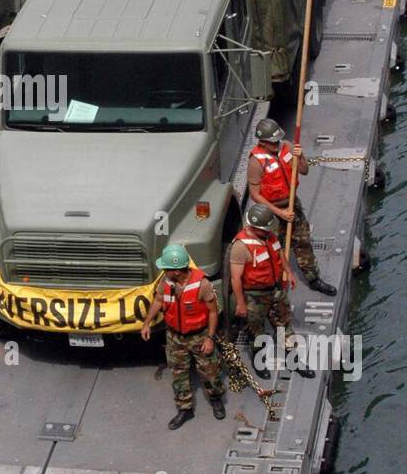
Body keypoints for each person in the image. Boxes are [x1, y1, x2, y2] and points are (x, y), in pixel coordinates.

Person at [140, 243, 225, 431]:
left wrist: (210, 338)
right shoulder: (166, 282)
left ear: (176, 271)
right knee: (179, 375)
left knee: (210, 372)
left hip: (199, 336)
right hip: (175, 337)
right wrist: (147, 322)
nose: (164, 271)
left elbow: (212, 312)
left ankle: (216, 399)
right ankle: (185, 408)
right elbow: (158, 301)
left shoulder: (202, 285)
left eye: (167, 268)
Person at [248, 118, 336, 296]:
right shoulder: (256, 162)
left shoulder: (287, 146)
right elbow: (255, 194)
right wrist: (279, 212)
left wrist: (301, 156)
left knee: (303, 241)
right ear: (262, 143)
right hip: (271, 211)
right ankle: (274, 283)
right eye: (273, 143)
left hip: (292, 203)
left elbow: (304, 170)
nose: (277, 144)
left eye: (278, 140)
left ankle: (313, 278)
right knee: (272, 248)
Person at [229, 202, 311, 379]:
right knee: (256, 330)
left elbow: (279, 254)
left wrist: (289, 272)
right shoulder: (241, 246)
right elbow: (236, 278)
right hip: (254, 296)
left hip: (275, 290)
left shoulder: (270, 236)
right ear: (253, 226)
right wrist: (241, 303)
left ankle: (293, 359)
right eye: (264, 229)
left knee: (285, 325)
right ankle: (259, 361)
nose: (268, 231)